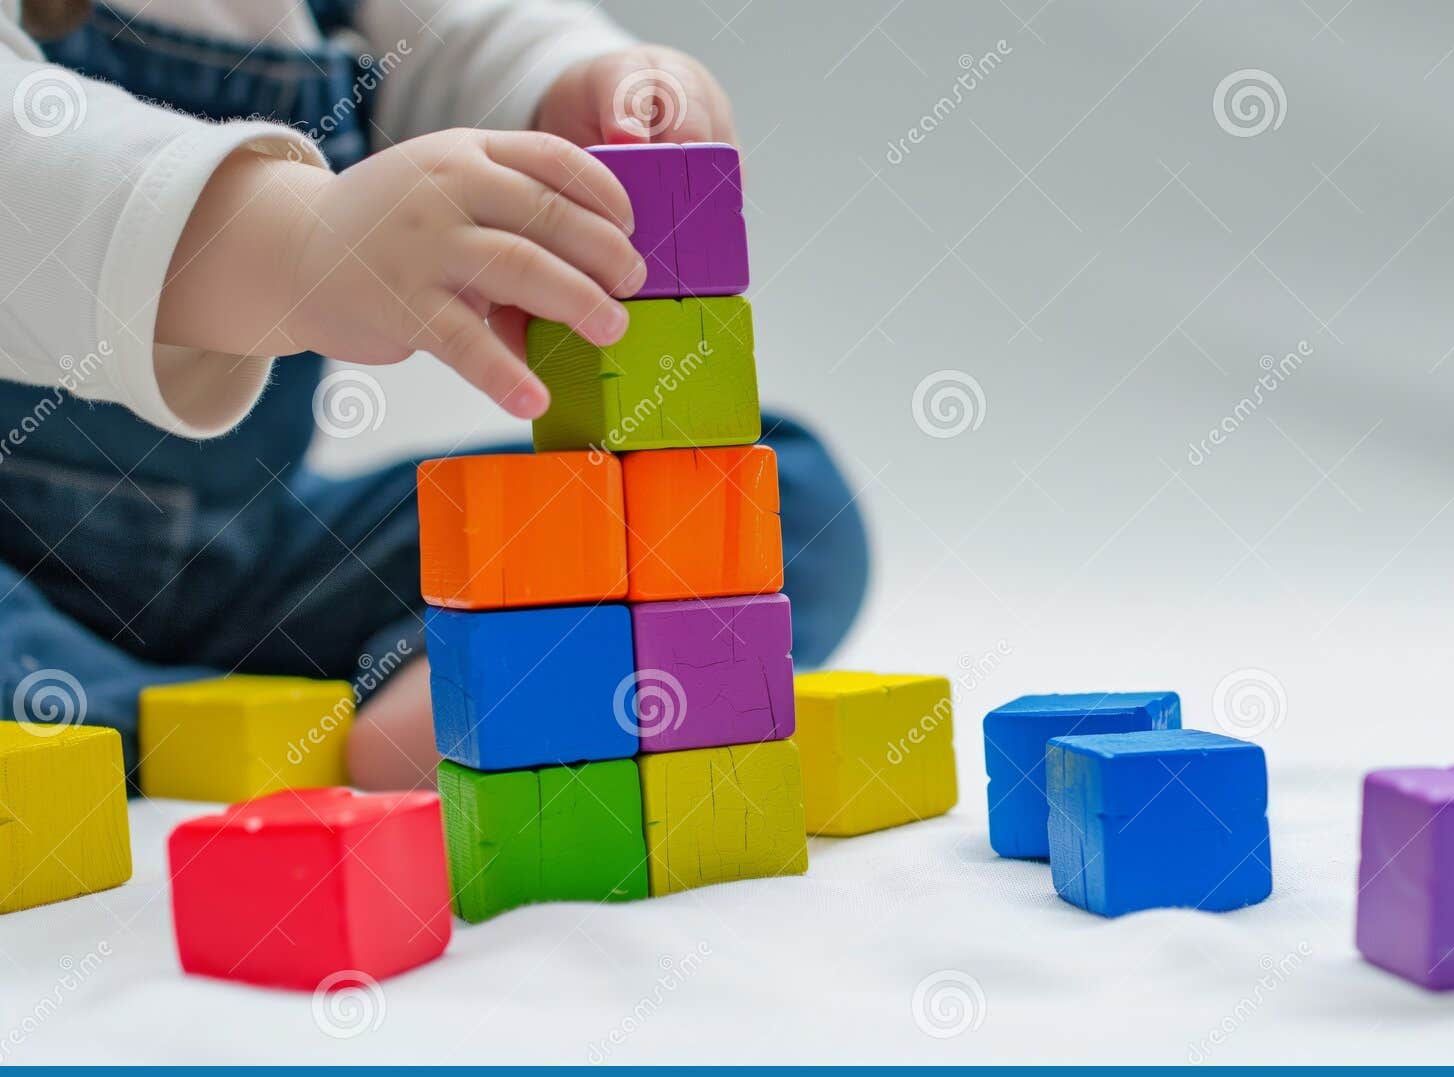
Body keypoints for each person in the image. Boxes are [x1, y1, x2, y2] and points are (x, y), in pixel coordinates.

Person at [0, 0, 868, 789]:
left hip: (249, 561)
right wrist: (297, 243)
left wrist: (580, 92)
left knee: (768, 503)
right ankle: (165, 730)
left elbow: (464, 31)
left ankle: (433, 681)